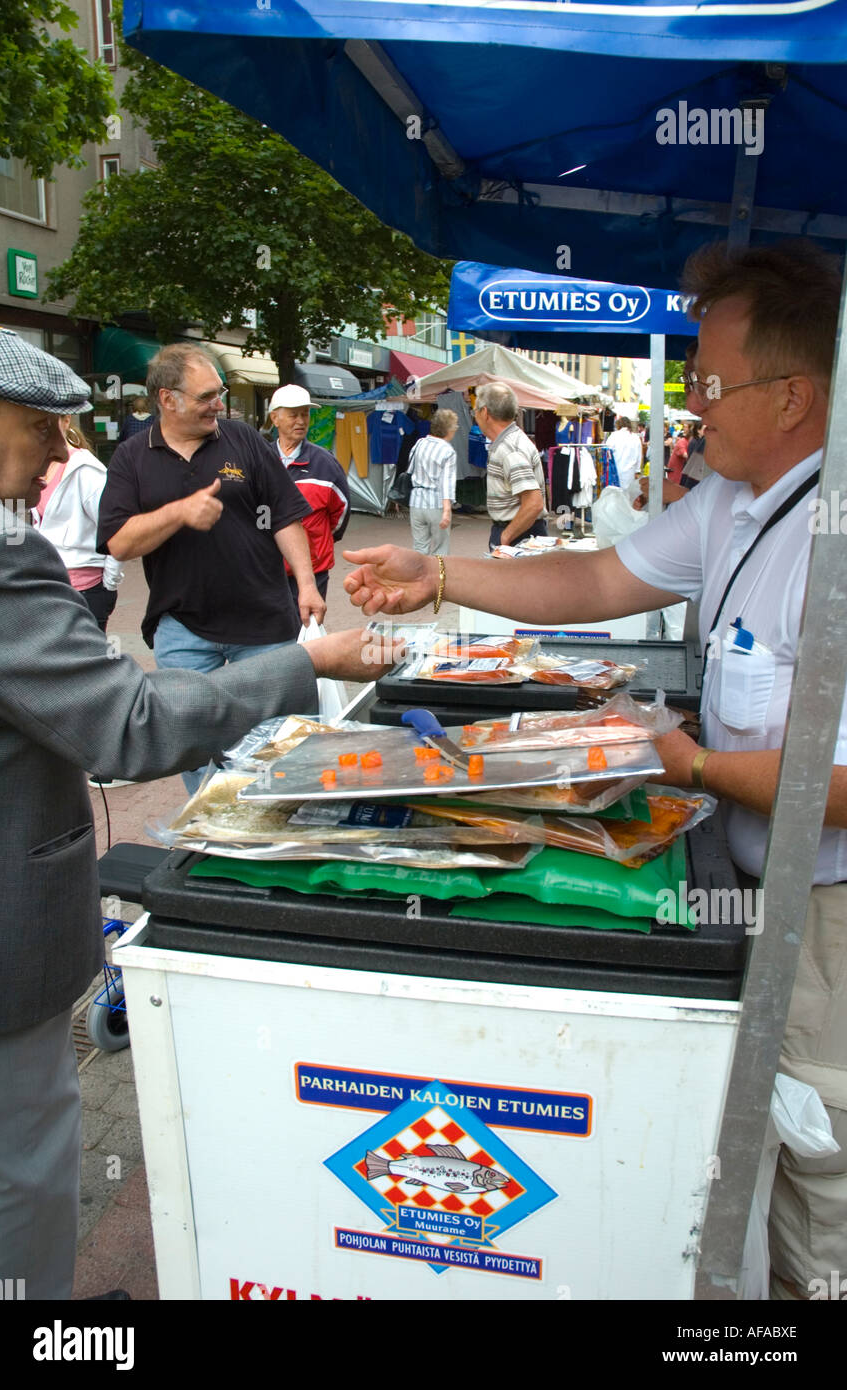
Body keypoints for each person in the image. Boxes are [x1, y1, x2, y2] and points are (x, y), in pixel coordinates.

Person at [343, 240, 847, 1301]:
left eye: (711, 383)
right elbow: (595, 579)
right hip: (750, 886)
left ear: (795, 396)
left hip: (828, 921)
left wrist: (692, 762)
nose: (693, 404)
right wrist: (440, 575)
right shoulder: (736, 499)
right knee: (756, 1160)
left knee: (822, 1186)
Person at [0, 327, 400, 1302]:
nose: (59, 453)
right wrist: (310, 660)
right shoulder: (0, 555)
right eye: (43, 427)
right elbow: (129, 726)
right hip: (1, 940)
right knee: (21, 1163)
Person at [97, 344, 326, 789]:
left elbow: (284, 514)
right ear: (168, 399)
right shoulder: (131, 457)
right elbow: (119, 542)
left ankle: (283, 817)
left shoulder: (243, 440)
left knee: (282, 742)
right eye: (206, 397)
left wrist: (307, 584)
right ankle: (208, 825)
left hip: (263, 621)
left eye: (219, 393)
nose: (219, 405)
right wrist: (179, 512)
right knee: (194, 745)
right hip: (182, 628)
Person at [31, 417, 124, 632]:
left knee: (86, 653)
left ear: (65, 421)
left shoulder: (85, 469)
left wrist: (109, 584)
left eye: (46, 421)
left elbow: (115, 529)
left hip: (86, 589)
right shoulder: (38, 465)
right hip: (49, 584)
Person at [265, 383, 350, 606]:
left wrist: (316, 540)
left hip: (313, 570)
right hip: (267, 570)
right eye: (293, 415)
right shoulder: (260, 459)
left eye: (305, 414)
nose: (301, 421)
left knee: (308, 627)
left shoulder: (325, 463)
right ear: (275, 418)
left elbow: (340, 514)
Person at [472, 382, 547, 549]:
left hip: (519, 535)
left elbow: (534, 503)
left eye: (475, 410)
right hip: (518, 531)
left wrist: (505, 537)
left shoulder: (510, 449)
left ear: (485, 412)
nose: (474, 415)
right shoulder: (509, 443)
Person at [406, 407, 457, 557]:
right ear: (449, 429)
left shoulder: (420, 443)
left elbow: (410, 469)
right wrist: (447, 510)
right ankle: (439, 573)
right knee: (440, 550)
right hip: (436, 503)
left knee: (419, 548)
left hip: (416, 501)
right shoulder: (448, 451)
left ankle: (417, 572)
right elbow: (447, 483)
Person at [605, 416, 643, 493]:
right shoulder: (635, 438)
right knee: (628, 494)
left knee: (616, 493)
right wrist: (637, 470)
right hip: (630, 472)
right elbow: (639, 456)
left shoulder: (614, 436)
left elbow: (607, 452)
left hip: (616, 470)